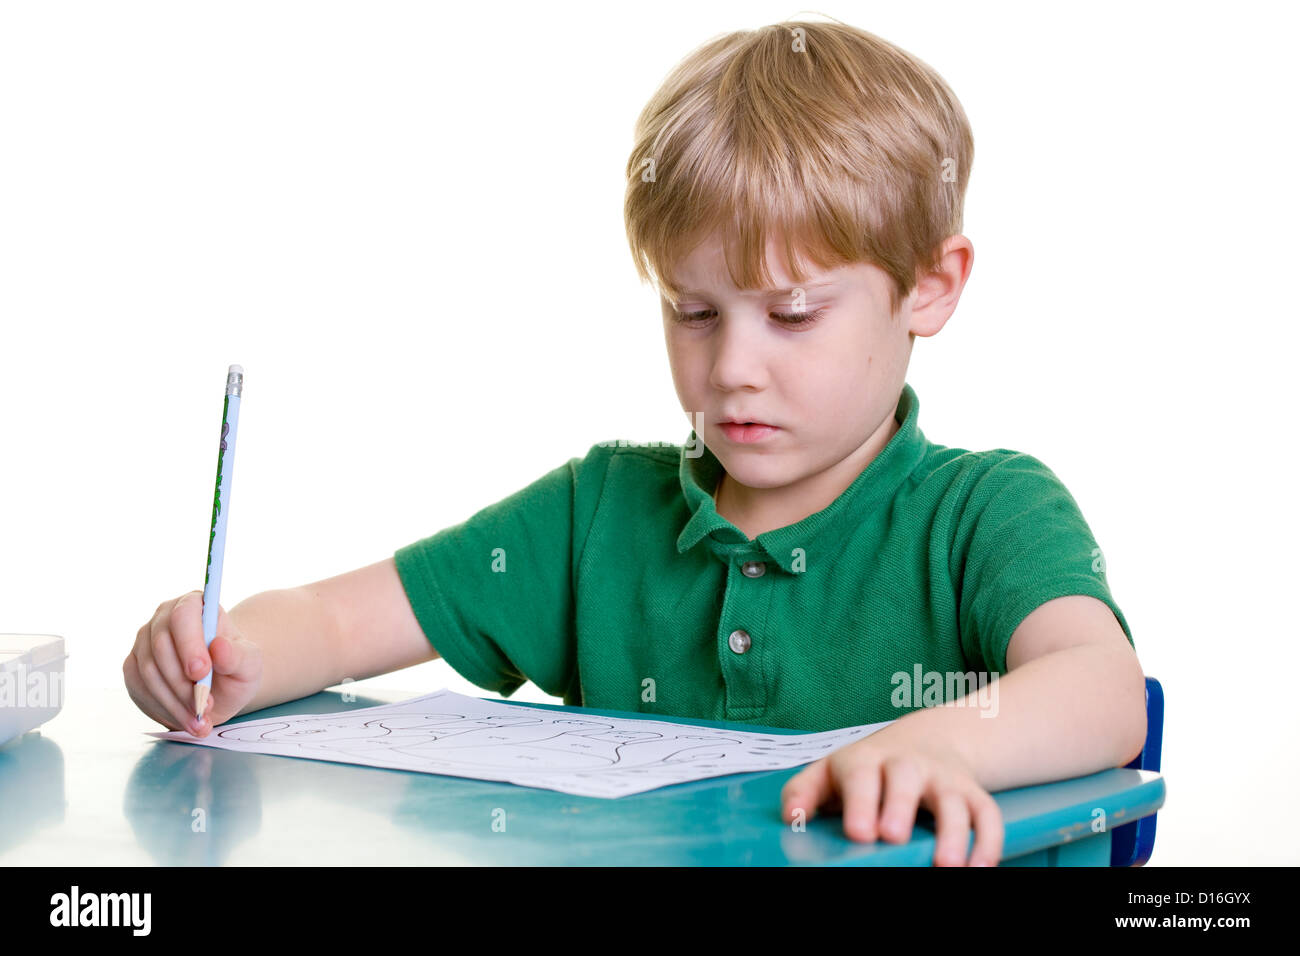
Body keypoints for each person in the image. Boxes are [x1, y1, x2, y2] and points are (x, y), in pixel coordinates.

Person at [124, 18, 1147, 867]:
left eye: (791, 314)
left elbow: (1103, 690)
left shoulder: (989, 512)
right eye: (694, 313)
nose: (733, 366)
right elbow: (342, 622)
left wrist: (930, 744)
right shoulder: (598, 511)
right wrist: (228, 651)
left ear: (930, 284)